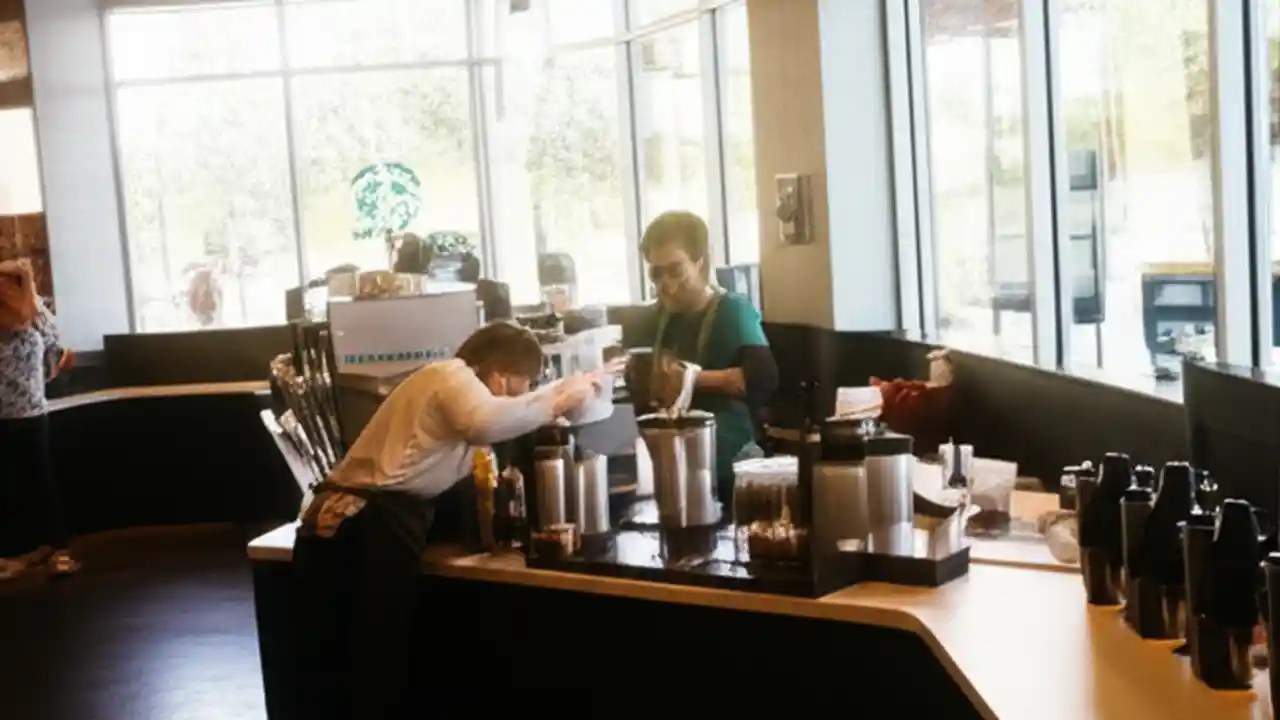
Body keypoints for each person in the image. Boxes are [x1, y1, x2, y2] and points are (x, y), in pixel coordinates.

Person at [292, 321, 601, 719]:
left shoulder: (455, 400)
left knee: (371, 664)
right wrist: (557, 400)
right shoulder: (450, 374)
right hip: (359, 523)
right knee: (364, 664)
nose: (522, 399)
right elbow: (487, 421)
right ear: (501, 377)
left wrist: (559, 398)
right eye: (524, 386)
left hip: (377, 523)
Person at [633, 211, 779, 499]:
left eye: (676, 270)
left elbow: (764, 380)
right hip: (676, 469)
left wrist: (691, 379)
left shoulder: (733, 311)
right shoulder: (656, 318)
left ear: (700, 263)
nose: (667, 284)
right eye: (656, 273)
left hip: (733, 470)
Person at [0, 259, 77, 581]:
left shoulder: (36, 317)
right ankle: (27, 551)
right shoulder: (33, 318)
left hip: (28, 413)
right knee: (14, 486)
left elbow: (59, 350)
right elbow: (58, 353)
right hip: (15, 413)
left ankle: (52, 549)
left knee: (36, 483)